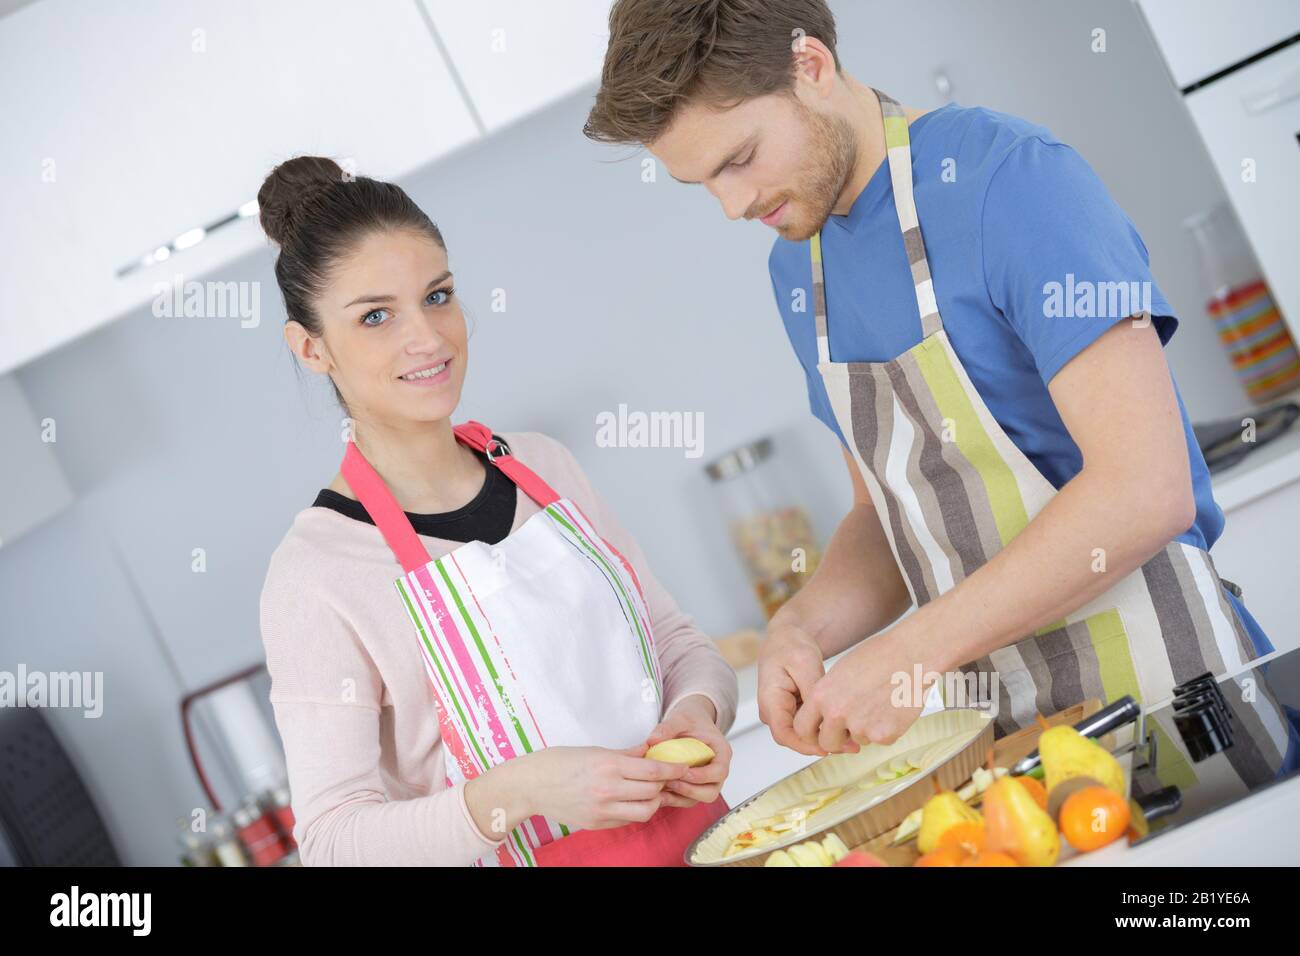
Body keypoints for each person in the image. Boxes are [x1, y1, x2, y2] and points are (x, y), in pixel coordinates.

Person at [583, 0, 1275, 756]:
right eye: (702, 184)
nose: (732, 205)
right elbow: (888, 519)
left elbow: (1147, 489)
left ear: (809, 66)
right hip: (1012, 749)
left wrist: (917, 649)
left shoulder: (1012, 181)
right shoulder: (798, 271)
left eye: (739, 158)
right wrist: (803, 627)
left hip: (1179, 703)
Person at [256, 156, 736, 866]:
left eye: (438, 296)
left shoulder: (541, 465)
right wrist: (520, 791)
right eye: (376, 317)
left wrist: (699, 712)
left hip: (715, 846)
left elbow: (679, 645)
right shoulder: (317, 574)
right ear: (311, 347)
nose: (427, 338)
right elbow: (333, 843)